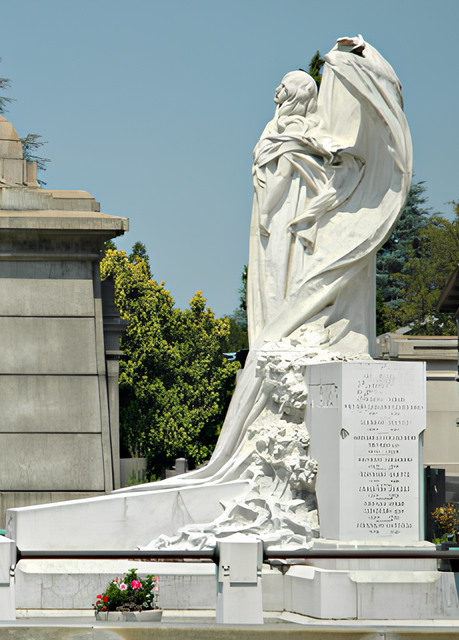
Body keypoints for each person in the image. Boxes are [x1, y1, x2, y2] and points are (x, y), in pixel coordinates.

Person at [125, 37, 413, 549]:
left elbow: (277, 188)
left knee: (281, 305)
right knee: (281, 309)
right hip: (290, 235)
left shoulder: (286, 133)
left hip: (283, 236)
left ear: (296, 96)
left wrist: (264, 215)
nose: (276, 93)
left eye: (282, 88)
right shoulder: (307, 137)